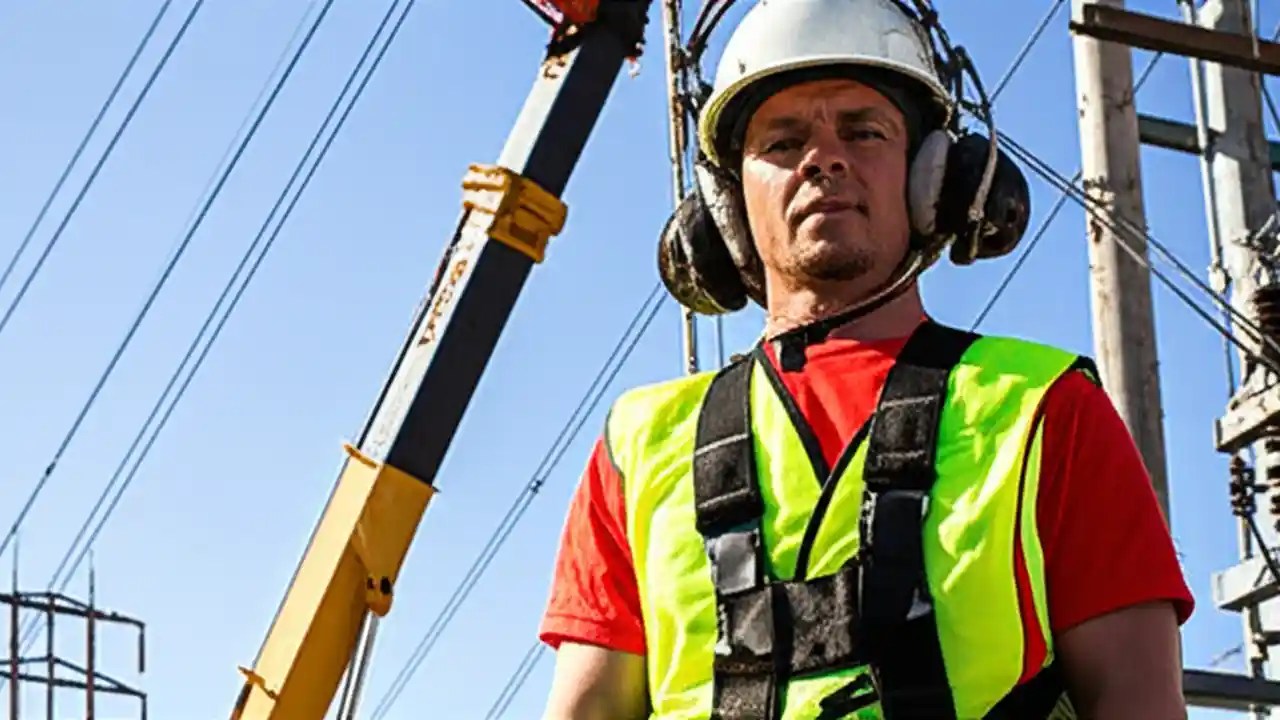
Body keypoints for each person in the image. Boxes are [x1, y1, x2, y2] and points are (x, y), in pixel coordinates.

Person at [536, 0, 1194, 717]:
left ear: (934, 179)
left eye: (864, 130)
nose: (825, 158)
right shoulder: (637, 447)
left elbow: (1139, 704)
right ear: (725, 205)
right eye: (783, 142)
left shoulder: (1047, 411)